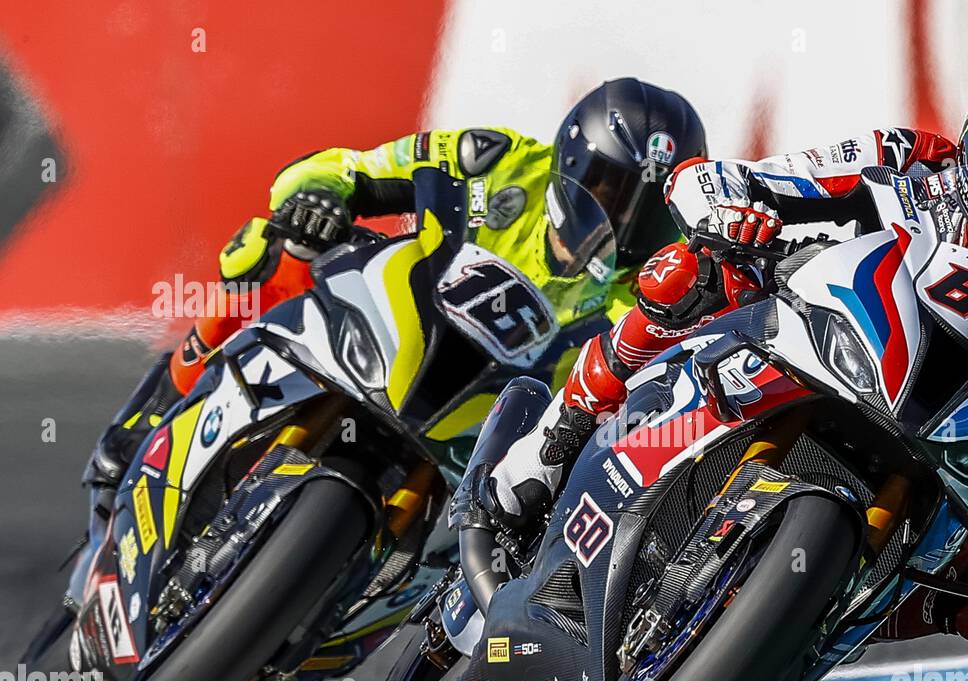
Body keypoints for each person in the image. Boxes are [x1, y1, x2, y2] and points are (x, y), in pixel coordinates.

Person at [482, 56, 968, 681]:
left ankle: (767, 662)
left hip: (946, 437)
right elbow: (735, 179)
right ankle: (554, 442)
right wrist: (732, 213)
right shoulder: (907, 163)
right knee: (686, 275)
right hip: (823, 333)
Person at [80, 77, 706, 538]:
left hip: (490, 436)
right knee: (268, 250)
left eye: (646, 212)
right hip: (391, 329)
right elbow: (347, 169)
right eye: (609, 188)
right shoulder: (493, 159)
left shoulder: (648, 292)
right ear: (570, 159)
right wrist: (319, 197)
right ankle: (149, 415)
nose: (622, 221)